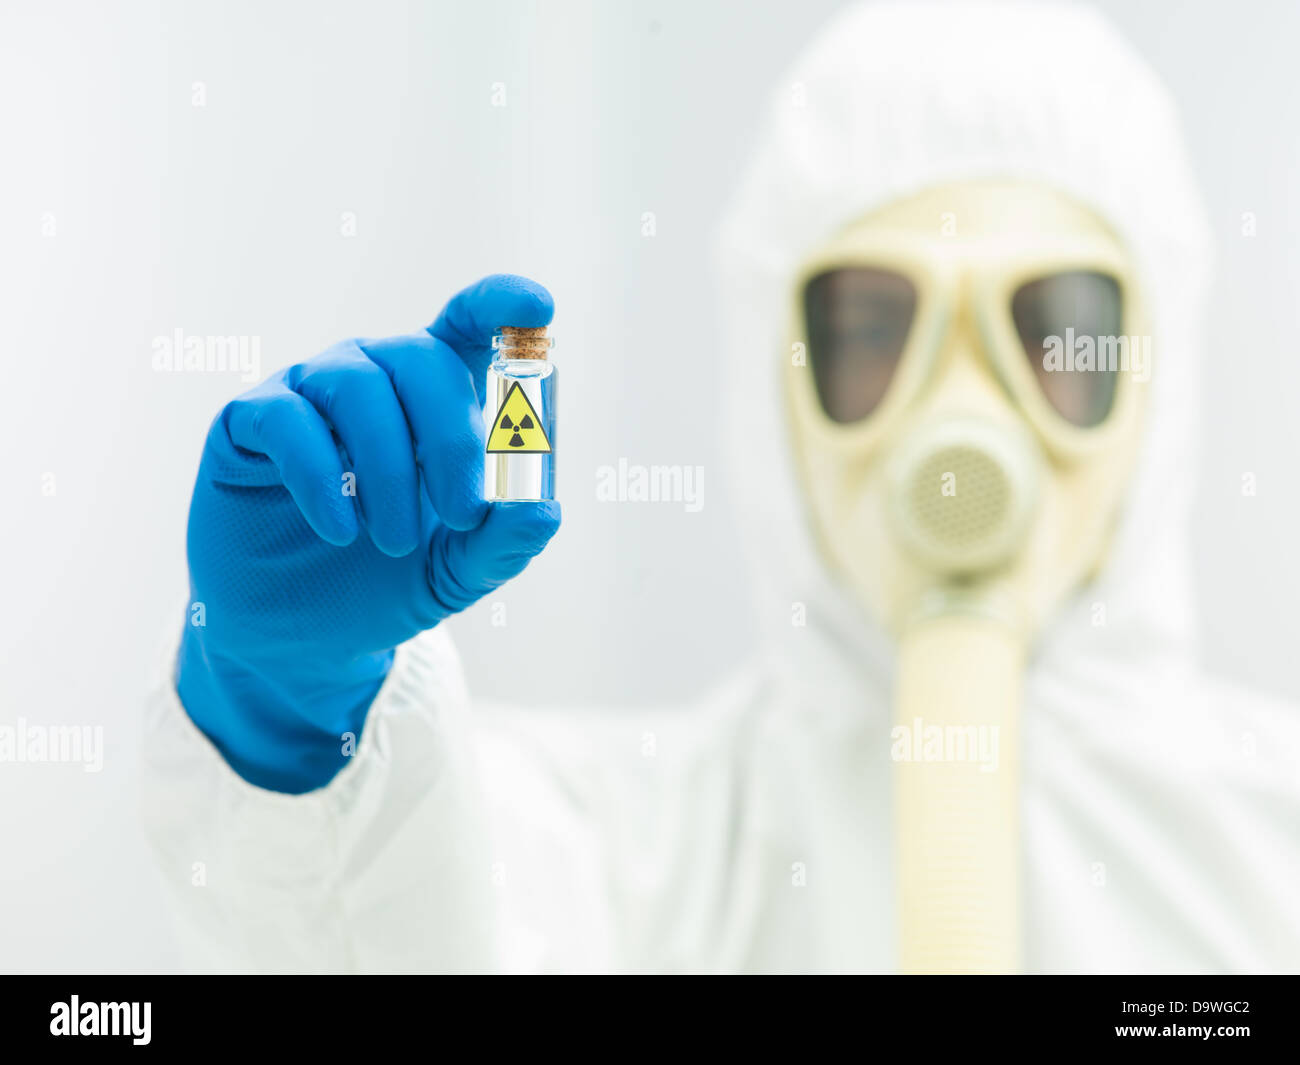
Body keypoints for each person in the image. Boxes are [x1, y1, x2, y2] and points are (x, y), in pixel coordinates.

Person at [141, 2, 1300, 973]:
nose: (961, 415)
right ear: (774, 387)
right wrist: (297, 726)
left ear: (1154, 385)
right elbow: (378, 921)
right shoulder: (610, 843)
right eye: (875, 332)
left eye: (1048, 334)